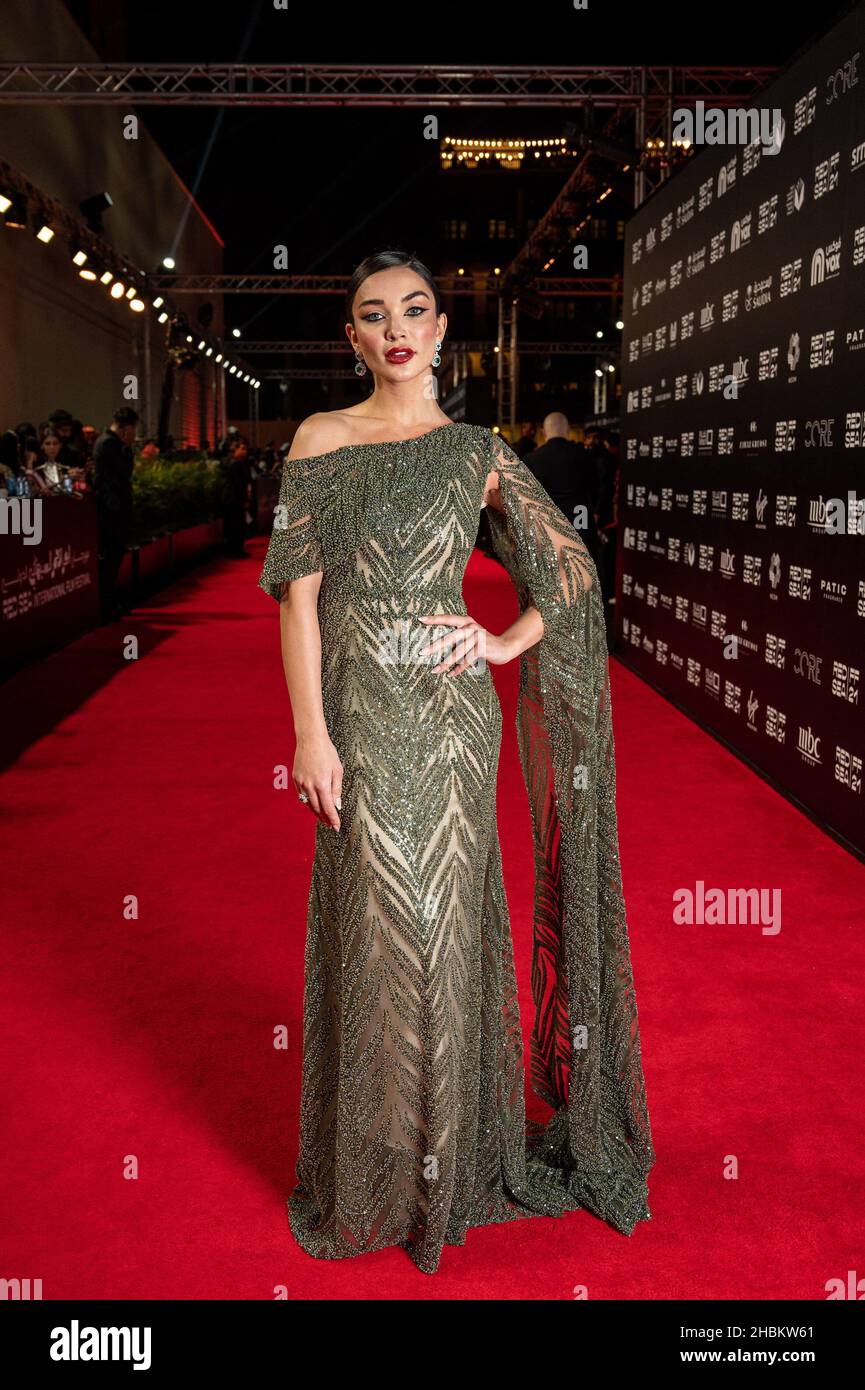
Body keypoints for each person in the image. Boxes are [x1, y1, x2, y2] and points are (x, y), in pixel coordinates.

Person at [257, 248, 654, 1276]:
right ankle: (382, 1175)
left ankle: (458, 1164)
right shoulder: (321, 438)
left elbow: (568, 570)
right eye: (373, 313)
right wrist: (309, 732)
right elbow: (299, 598)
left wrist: (502, 639)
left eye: (416, 309)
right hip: (358, 716)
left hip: (450, 721)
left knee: (446, 933)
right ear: (352, 337)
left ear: (440, 331)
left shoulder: (475, 449)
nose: (396, 327)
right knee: (378, 934)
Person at [524, 411, 600, 565]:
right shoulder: (584, 455)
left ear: (544, 432)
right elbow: (596, 487)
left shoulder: (531, 459)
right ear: (567, 431)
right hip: (580, 520)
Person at [92, 407, 139, 621]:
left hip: (112, 507)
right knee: (111, 559)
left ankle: (108, 603)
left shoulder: (107, 442)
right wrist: (128, 452)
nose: (134, 435)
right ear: (126, 428)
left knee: (112, 560)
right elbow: (122, 473)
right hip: (112, 509)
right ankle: (106, 605)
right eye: (133, 430)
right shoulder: (111, 444)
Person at [222, 436, 252, 556]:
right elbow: (238, 484)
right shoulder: (236, 464)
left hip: (235, 499)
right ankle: (235, 550)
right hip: (235, 500)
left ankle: (236, 549)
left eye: (246, 449)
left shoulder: (239, 463)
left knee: (237, 525)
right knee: (236, 525)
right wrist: (244, 498)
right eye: (242, 448)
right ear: (236, 450)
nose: (245, 451)